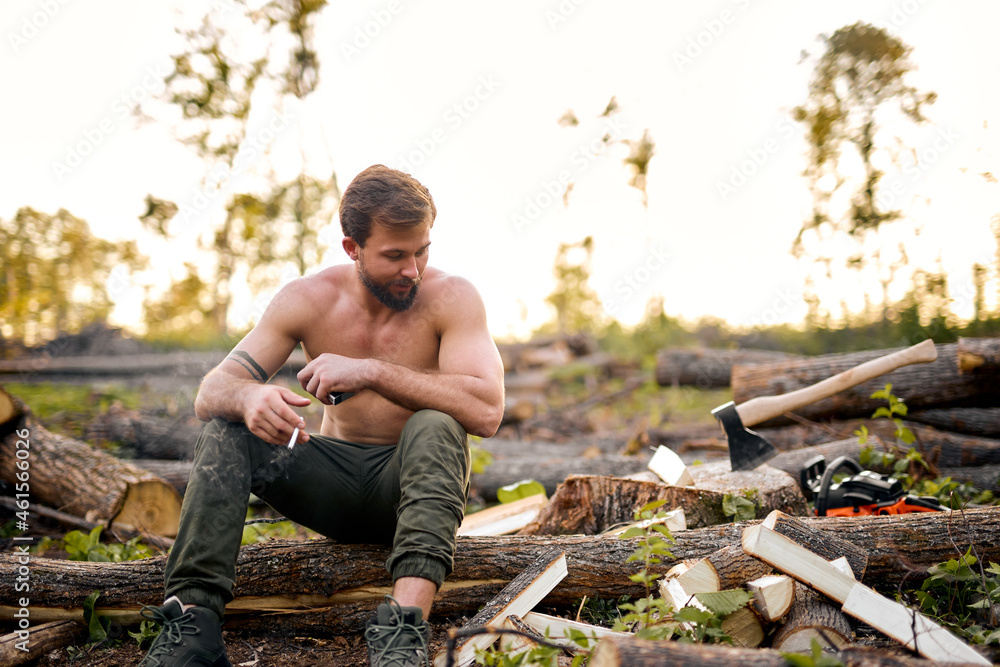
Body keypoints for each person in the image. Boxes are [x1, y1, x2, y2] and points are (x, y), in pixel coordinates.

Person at [138, 165, 506, 667]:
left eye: (422, 250)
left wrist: (372, 372)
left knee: (435, 422)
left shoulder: (453, 298)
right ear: (352, 248)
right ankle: (192, 628)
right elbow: (212, 391)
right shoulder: (307, 299)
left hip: (407, 492)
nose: (413, 270)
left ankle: (402, 634)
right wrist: (248, 399)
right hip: (327, 485)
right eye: (395, 255)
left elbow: (486, 410)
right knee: (226, 424)